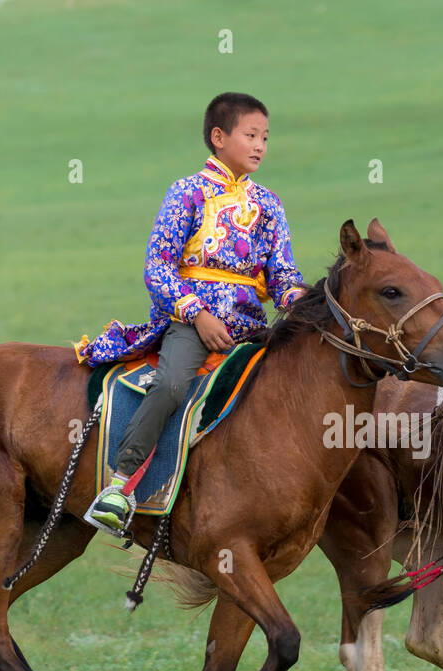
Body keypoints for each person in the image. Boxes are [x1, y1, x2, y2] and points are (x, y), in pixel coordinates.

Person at [77, 92, 307, 531]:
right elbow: (157, 265)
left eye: (265, 137)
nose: (260, 145)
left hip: (252, 327)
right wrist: (198, 314)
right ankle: (120, 486)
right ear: (219, 137)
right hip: (191, 323)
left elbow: (282, 277)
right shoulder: (187, 193)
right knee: (170, 384)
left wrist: (304, 306)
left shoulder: (270, 204)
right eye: (251, 135)